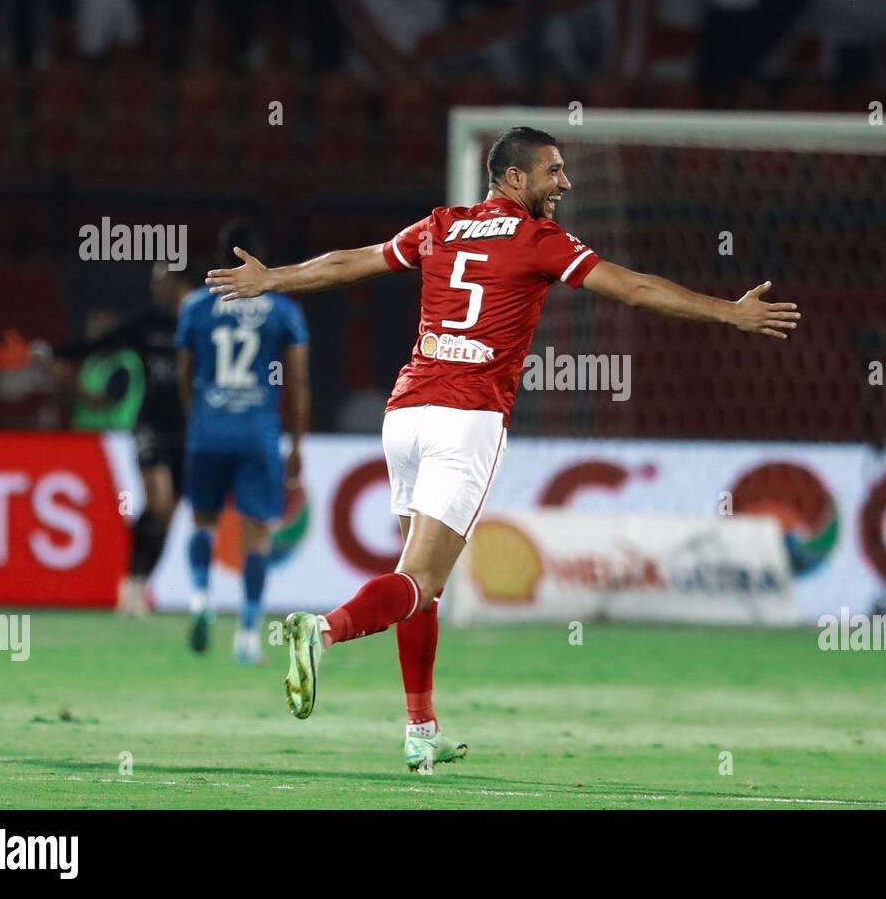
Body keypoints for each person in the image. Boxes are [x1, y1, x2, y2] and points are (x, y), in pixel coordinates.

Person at [205, 126, 801, 772]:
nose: (565, 184)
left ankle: (420, 729)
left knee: (417, 584)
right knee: (422, 579)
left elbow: (353, 260)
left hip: (405, 412)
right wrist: (727, 312)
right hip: (466, 418)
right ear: (514, 179)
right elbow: (632, 288)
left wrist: (274, 279)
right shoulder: (540, 240)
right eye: (553, 171)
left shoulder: (441, 225)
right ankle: (322, 632)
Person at [176, 220, 310, 664]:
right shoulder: (282, 310)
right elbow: (298, 382)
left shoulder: (195, 306)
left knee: (202, 522)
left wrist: (198, 418)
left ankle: (199, 597)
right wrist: (297, 445)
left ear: (218, 255)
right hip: (258, 433)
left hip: (208, 429)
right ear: (262, 258)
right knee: (256, 537)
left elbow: (184, 376)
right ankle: (248, 637)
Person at [45, 262, 192, 615]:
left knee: (168, 514)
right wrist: (49, 352)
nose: (155, 286)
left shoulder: (203, 321)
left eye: (161, 279)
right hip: (151, 424)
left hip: (189, 429)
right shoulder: (149, 324)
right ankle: (130, 583)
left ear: (178, 282)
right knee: (158, 501)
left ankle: (139, 581)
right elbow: (99, 344)